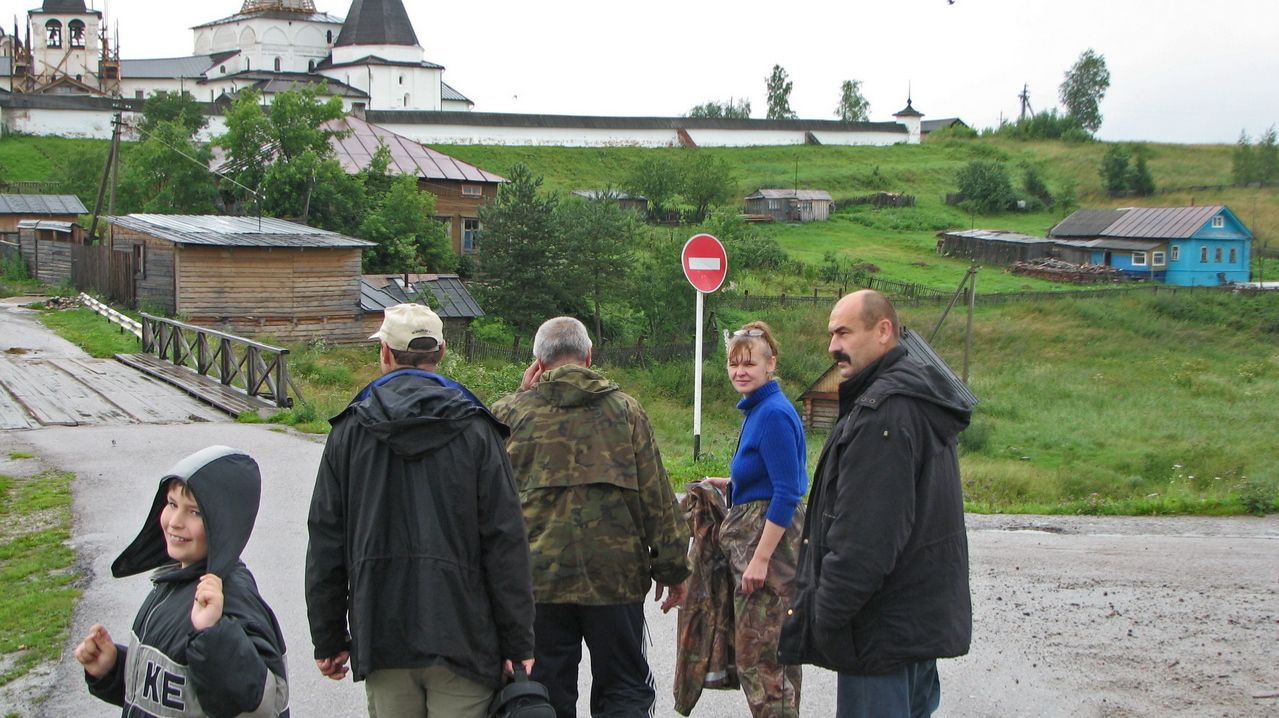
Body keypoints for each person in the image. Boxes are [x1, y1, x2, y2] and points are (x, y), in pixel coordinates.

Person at [305, 302, 535, 718]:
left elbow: (326, 538)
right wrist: (518, 643)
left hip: (383, 633)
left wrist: (329, 637)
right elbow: (506, 540)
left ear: (386, 354)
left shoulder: (350, 431)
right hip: (465, 636)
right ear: (442, 352)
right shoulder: (478, 430)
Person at [778, 289, 973, 718]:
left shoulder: (884, 414)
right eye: (831, 334)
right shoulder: (913, 399)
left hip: (879, 633)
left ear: (883, 330)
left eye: (844, 332)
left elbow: (866, 539)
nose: (833, 346)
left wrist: (825, 615)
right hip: (909, 631)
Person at [490, 316, 691, 718]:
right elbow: (657, 497)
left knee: (543, 696)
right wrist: (674, 571)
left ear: (537, 362)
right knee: (625, 690)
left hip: (537, 584)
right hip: (614, 580)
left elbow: (490, 509)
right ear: (589, 356)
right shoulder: (626, 412)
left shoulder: (508, 415)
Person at [74, 445, 290, 717]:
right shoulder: (172, 584)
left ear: (224, 523)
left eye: (195, 512)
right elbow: (176, 693)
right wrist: (114, 669)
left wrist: (213, 635)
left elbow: (262, 707)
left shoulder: (230, 604)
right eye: (172, 504)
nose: (175, 521)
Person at [701, 321, 806, 717]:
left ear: (770, 364)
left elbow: (786, 492)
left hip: (769, 550)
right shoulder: (761, 410)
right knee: (775, 657)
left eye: (749, 364)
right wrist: (732, 484)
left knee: (760, 658)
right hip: (762, 536)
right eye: (734, 363)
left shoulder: (773, 414)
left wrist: (761, 559)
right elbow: (771, 477)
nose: (740, 371)